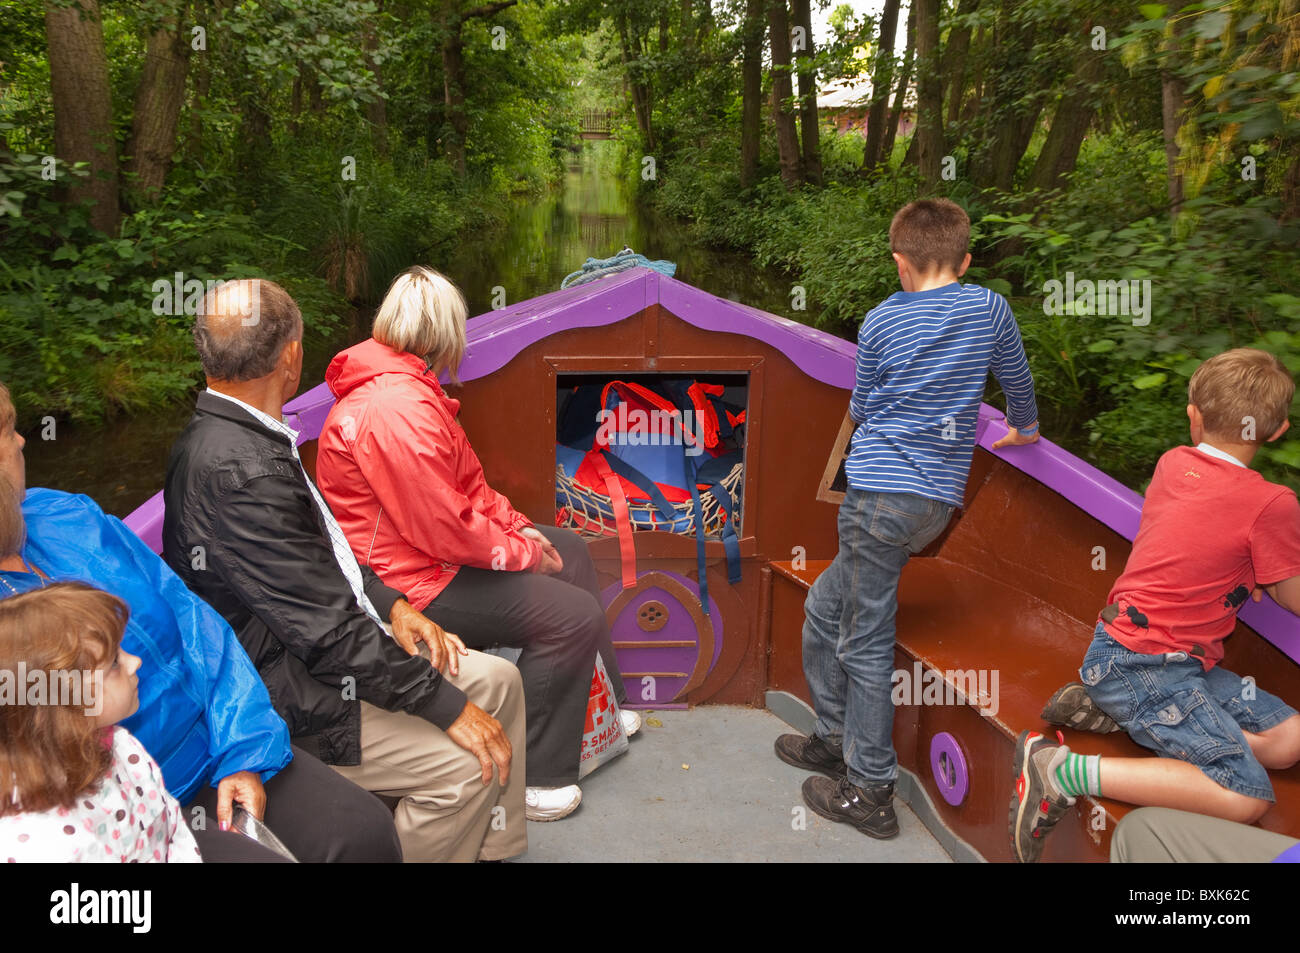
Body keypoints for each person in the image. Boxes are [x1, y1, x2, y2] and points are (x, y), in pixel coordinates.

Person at [163, 278, 527, 861]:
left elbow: (323, 554)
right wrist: (443, 706)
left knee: (501, 683)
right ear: (291, 355)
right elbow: (328, 634)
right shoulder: (243, 472)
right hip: (285, 688)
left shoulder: (247, 436)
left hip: (315, 651)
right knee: (462, 768)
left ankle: (491, 849)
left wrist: (392, 604)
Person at [0, 382, 401, 864]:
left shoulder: (68, 513)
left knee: (361, 832)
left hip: (214, 742)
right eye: (7, 429)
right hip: (100, 812)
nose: (23, 440)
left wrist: (243, 746)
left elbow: (192, 617)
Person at [315, 266, 639, 821]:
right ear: (443, 333)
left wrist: (522, 532)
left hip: (433, 559)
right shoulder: (394, 409)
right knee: (572, 617)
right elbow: (443, 525)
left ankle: (600, 705)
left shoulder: (411, 390)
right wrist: (527, 555)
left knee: (574, 551)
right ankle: (537, 777)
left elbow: (470, 492)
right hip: (406, 586)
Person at [774, 198, 1041, 839]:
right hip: (934, 507)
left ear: (900, 261)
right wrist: (1025, 430)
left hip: (876, 501)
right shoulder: (990, 308)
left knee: (863, 642)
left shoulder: (882, 320)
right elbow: (1017, 382)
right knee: (823, 611)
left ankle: (869, 789)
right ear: (967, 259)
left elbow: (864, 406)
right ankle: (834, 737)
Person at [1015, 348, 1300, 862]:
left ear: (1193, 414)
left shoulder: (1173, 463)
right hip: (1144, 665)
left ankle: (1129, 719)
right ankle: (1061, 771)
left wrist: (1247, 568)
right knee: (1246, 795)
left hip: (1158, 659)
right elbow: (1290, 595)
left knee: (1288, 741)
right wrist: (1264, 572)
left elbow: (1195, 535)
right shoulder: (1274, 504)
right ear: (1276, 431)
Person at [0, 582, 202, 863]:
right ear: (63, 703)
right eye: (115, 664)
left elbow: (170, 826)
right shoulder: (38, 844)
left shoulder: (118, 743)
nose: (135, 663)